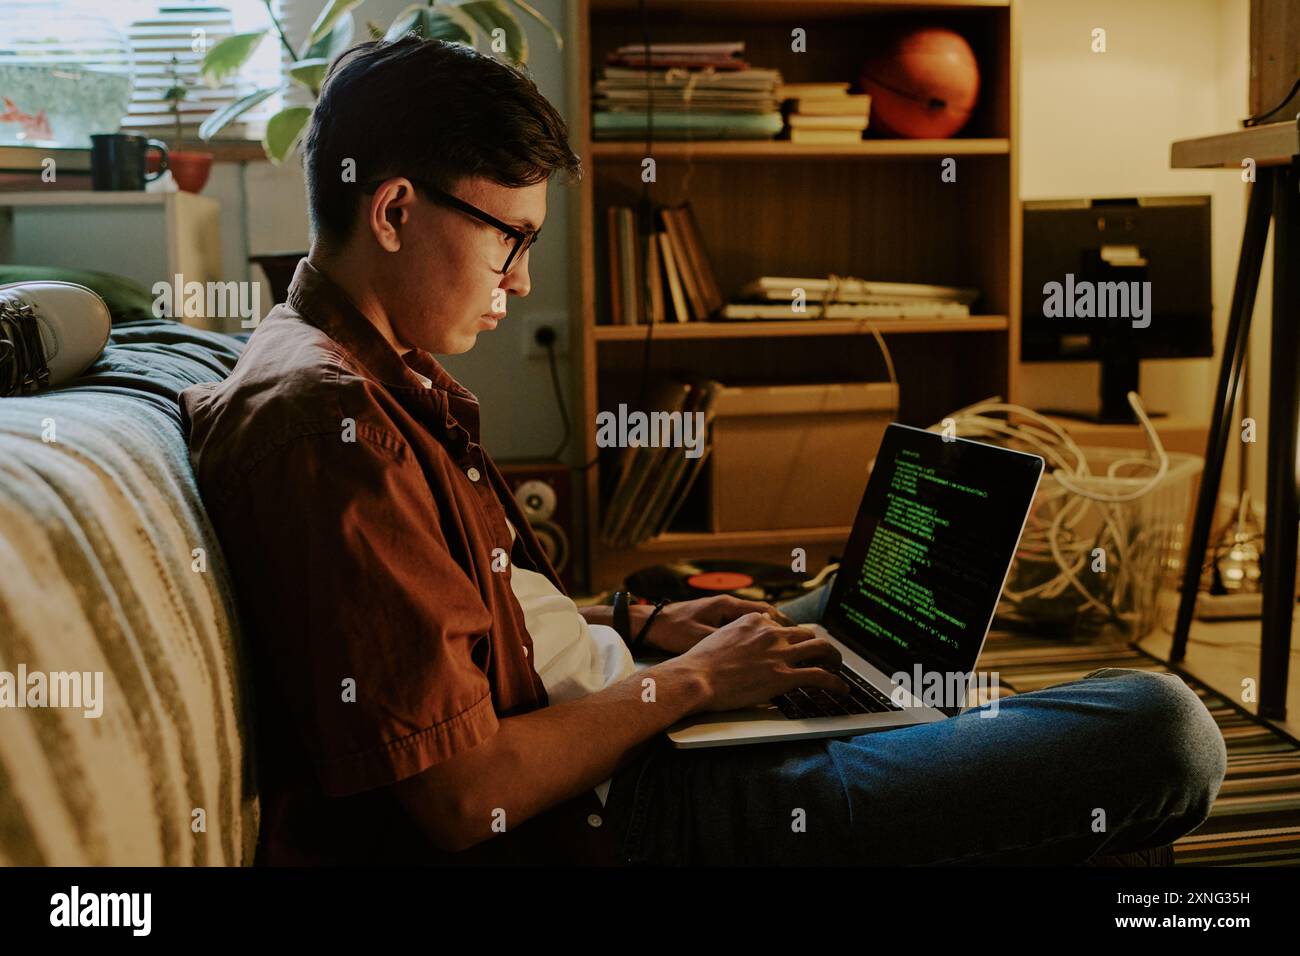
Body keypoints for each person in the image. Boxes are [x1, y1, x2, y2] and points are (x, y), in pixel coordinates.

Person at [180, 35, 1226, 866]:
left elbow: (465, 621)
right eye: (513, 238)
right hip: (632, 801)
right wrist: (688, 683)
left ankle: (923, 738)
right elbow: (467, 795)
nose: (521, 282)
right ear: (398, 210)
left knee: (867, 610)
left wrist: (642, 619)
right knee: (1164, 724)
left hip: (617, 701)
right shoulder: (333, 427)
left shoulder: (350, 361)